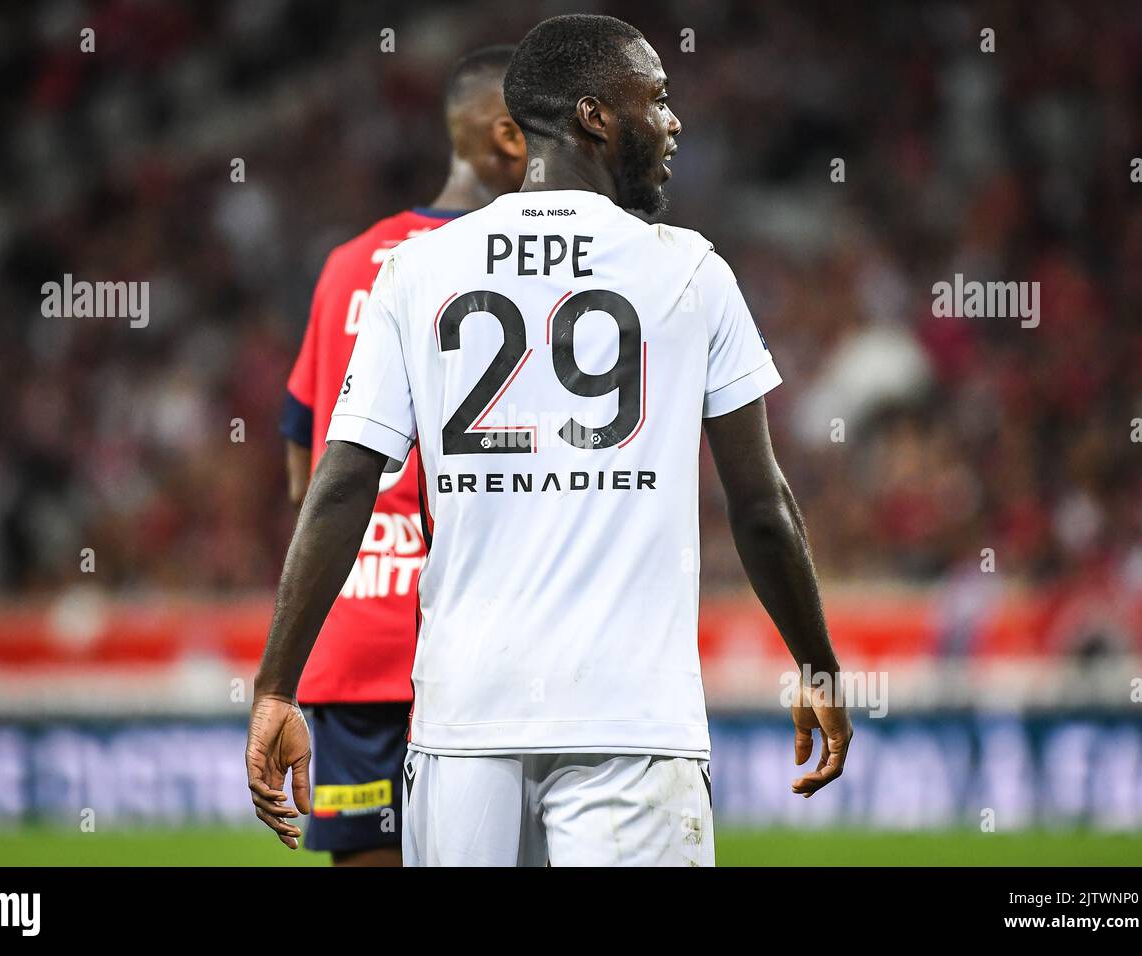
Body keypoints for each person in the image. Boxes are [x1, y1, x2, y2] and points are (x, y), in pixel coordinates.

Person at [248, 14, 850, 867]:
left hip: (463, 722)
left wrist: (277, 685)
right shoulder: (688, 270)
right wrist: (817, 665)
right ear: (596, 117)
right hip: (631, 721)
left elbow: (341, 485)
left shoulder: (416, 273)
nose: (674, 121)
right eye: (659, 98)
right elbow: (760, 504)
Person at [271, 44, 526, 866]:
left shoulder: (349, 263)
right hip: (478, 636)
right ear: (513, 137)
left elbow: (305, 469)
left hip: (353, 633)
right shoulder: (521, 268)